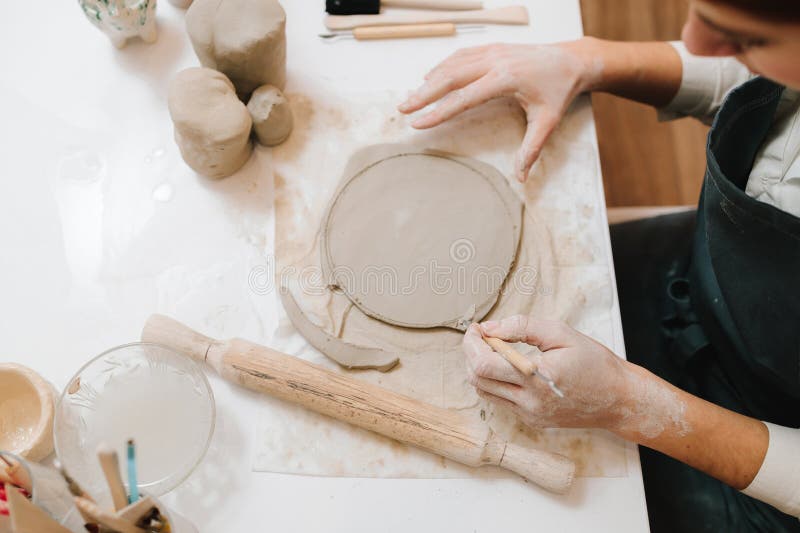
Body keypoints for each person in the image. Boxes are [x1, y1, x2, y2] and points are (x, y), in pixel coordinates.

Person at [398, 1, 800, 531]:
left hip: (767, 460)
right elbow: (769, 85)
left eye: (746, 38)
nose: (691, 40)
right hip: (706, 276)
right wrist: (587, 60)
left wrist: (631, 405)